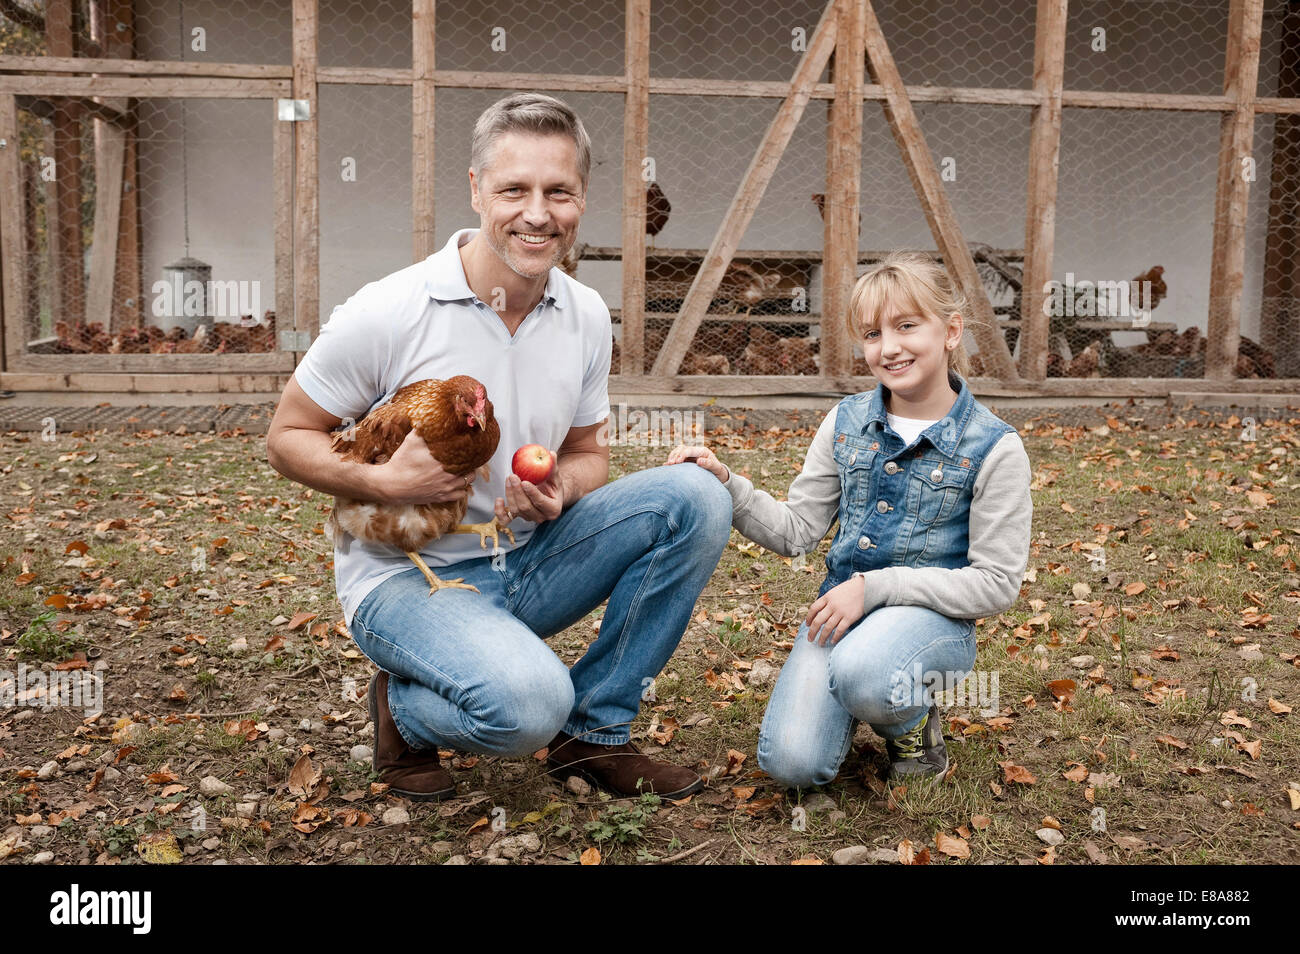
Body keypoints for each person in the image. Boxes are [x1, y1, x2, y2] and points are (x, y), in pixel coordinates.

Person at [266, 93, 731, 801]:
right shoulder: (390, 310)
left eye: (559, 192)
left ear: (582, 200)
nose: (537, 214)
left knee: (696, 496)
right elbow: (286, 437)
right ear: (477, 188)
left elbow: (588, 452)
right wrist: (388, 485)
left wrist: (562, 490)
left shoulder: (583, 316)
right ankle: (405, 711)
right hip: (401, 578)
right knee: (527, 710)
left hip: (524, 557)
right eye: (514, 188)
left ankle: (594, 733)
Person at [666, 252, 1032, 788]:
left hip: (933, 623)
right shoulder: (846, 421)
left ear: (951, 330)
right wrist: (727, 483)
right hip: (840, 615)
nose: (889, 347)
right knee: (791, 764)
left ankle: (910, 721)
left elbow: (996, 584)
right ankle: (867, 688)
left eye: (907, 326)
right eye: (872, 333)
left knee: (865, 673)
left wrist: (876, 587)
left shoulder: (994, 447)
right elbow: (796, 531)